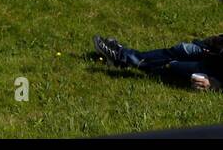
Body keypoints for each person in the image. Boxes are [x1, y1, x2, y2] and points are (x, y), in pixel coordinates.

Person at [94, 26, 222, 92]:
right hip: (214, 54)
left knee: (171, 66)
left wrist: (216, 84)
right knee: (181, 49)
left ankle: (121, 57)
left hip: (216, 72)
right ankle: (122, 55)